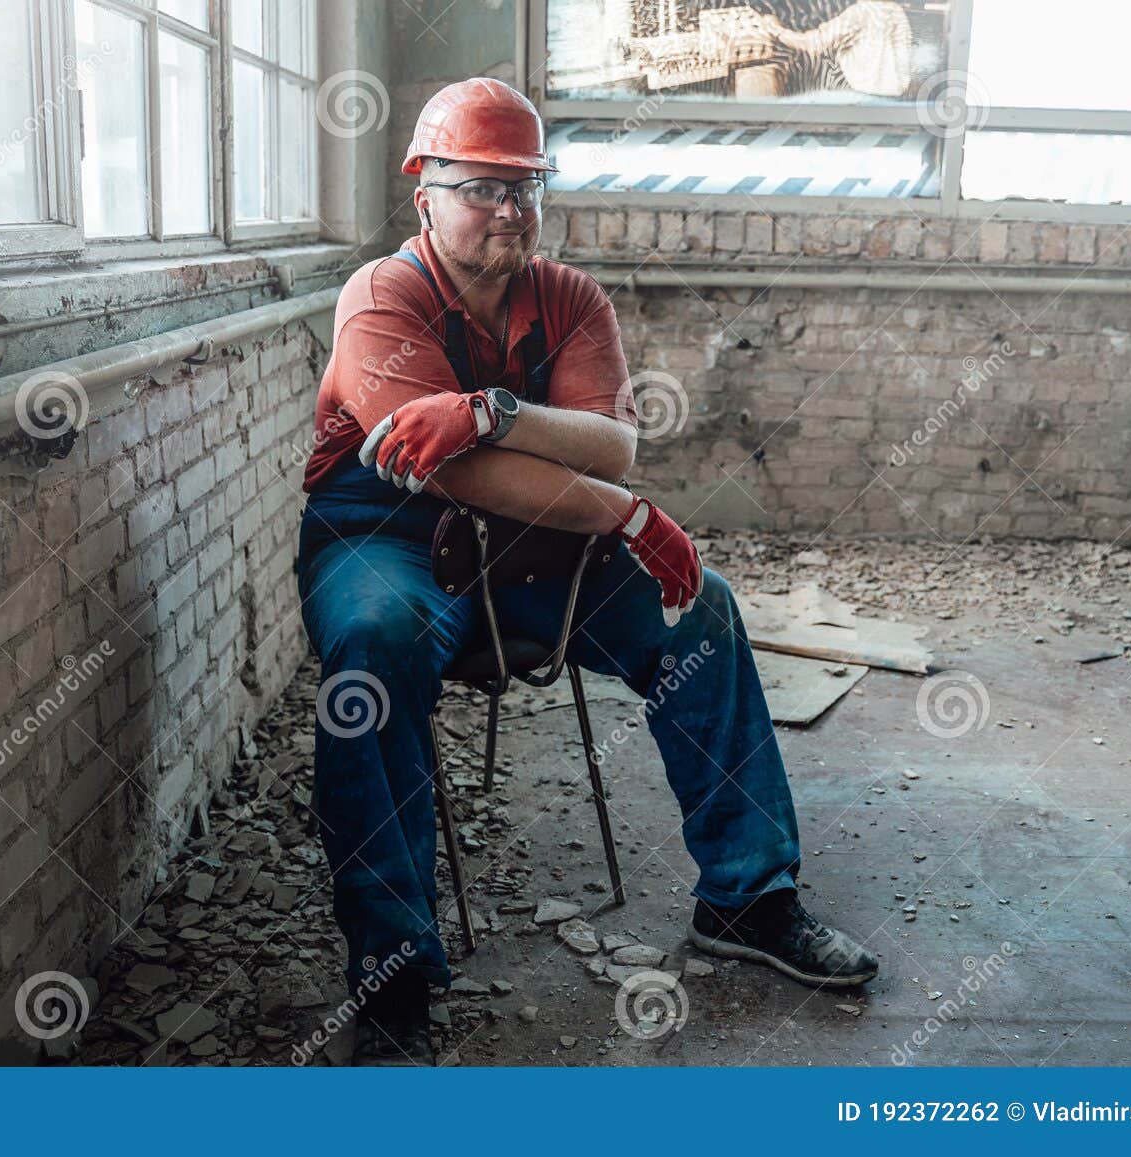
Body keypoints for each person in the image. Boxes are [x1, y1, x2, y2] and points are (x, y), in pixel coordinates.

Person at [294, 77, 877, 1067]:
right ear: (423, 191)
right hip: (385, 534)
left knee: (701, 613)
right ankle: (392, 973)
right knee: (369, 651)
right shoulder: (380, 297)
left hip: (533, 545)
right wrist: (624, 512)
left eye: (526, 189)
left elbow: (607, 443)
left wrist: (491, 409)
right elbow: (451, 469)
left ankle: (748, 895)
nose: (510, 210)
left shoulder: (565, 298)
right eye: (483, 187)